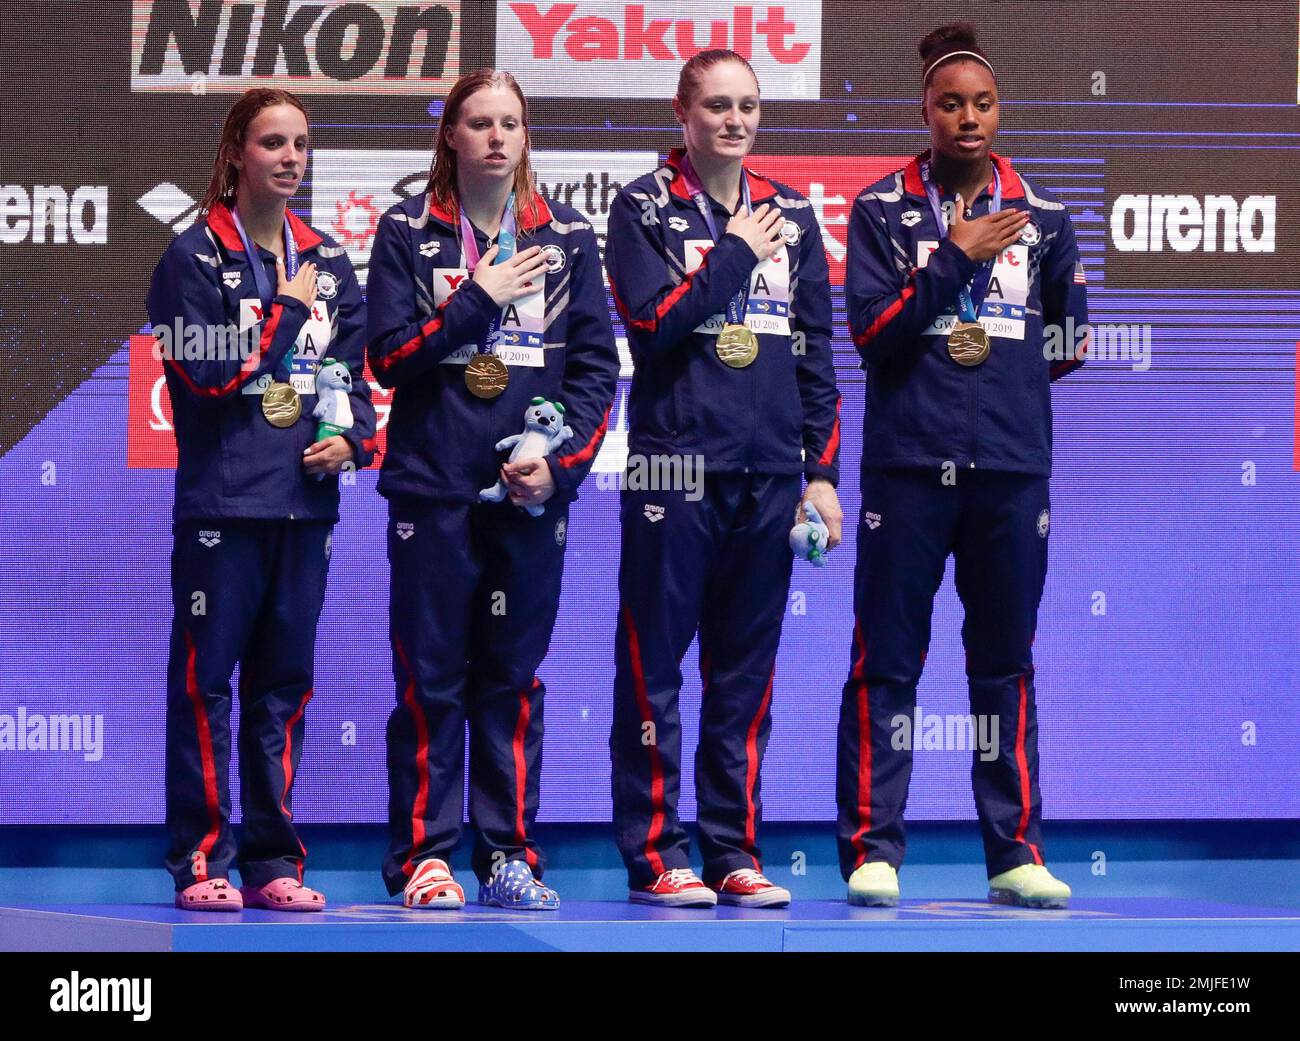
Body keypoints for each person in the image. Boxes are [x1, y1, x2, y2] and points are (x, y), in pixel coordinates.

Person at [838, 22, 1087, 909]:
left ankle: (1014, 852)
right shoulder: (879, 210)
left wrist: (1001, 369)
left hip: (1012, 470)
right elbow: (871, 332)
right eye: (952, 104)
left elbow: (1067, 341)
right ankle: (874, 848)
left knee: (1003, 661)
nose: (969, 118)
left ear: (997, 110)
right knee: (888, 660)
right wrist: (954, 260)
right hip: (908, 467)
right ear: (926, 111)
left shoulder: (1046, 215)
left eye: (982, 103)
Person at [367, 69, 619, 911]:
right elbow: (391, 358)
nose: (497, 138)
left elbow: (593, 371)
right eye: (480, 122)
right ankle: (424, 856)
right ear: (452, 136)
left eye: (511, 122)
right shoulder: (407, 230)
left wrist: (561, 465)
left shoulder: (569, 234)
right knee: (432, 676)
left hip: (529, 499)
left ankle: (508, 851)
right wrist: (478, 298)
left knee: (511, 679)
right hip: (434, 488)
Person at [605, 49, 842, 909]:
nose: (734, 121)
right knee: (654, 669)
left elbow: (817, 360)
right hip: (675, 471)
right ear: (682, 111)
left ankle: (733, 848)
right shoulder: (639, 209)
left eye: (747, 105)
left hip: (771, 481)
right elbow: (653, 327)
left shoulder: (794, 212)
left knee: (745, 674)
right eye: (716, 105)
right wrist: (735, 254)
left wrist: (821, 474)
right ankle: (658, 852)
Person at [148, 87, 376, 912]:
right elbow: (209, 380)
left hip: (305, 508)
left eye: (301, 144)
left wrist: (356, 441)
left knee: (284, 687)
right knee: (207, 685)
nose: (290, 157)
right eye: (273, 142)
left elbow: (348, 377)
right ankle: (201, 860)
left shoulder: (330, 260)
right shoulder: (192, 256)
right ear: (237, 152)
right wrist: (284, 309)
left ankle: (274, 860)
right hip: (222, 508)